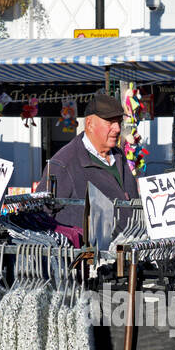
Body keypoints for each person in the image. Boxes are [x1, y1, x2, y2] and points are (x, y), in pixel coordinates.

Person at [48, 94, 138, 240]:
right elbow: (42, 216)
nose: (117, 128)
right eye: (110, 122)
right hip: (87, 259)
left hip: (128, 253)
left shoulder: (119, 156)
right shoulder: (64, 163)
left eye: (119, 122)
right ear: (89, 124)